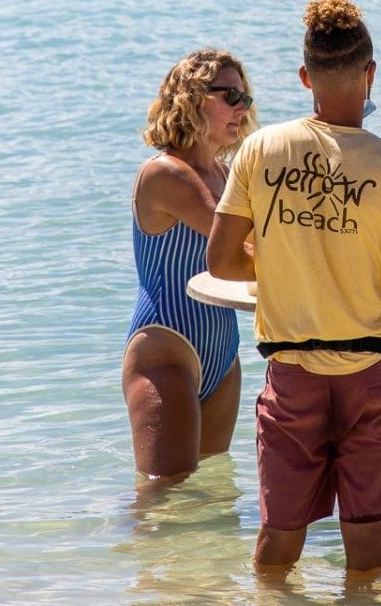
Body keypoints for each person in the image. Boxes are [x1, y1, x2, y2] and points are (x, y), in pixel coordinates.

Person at [208, 0, 381, 582]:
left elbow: (221, 260)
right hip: (370, 373)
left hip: (291, 372)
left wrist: (290, 266)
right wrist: (374, 274)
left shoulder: (259, 150)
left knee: (278, 541)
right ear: (370, 75)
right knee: (367, 548)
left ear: (304, 76)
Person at [123, 49, 258, 484]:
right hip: (167, 349)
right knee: (163, 498)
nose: (243, 107)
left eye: (246, 98)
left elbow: (269, 247)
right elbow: (241, 249)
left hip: (222, 353)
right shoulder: (165, 173)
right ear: (192, 99)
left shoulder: (227, 173)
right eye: (231, 95)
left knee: (213, 493)